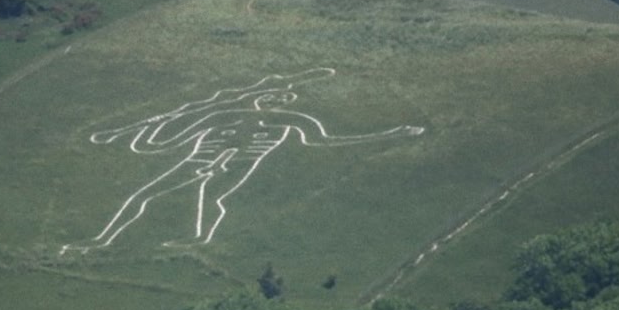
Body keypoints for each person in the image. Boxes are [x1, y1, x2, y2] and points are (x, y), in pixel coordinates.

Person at [60, 70, 424, 254]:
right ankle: (100, 241)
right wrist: (147, 130)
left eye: (281, 96)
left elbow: (327, 142)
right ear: (260, 97)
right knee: (144, 196)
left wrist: (392, 134)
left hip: (234, 166)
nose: (275, 100)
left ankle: (196, 240)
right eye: (271, 95)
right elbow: (160, 147)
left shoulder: (292, 121)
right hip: (198, 161)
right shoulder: (224, 116)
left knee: (212, 197)